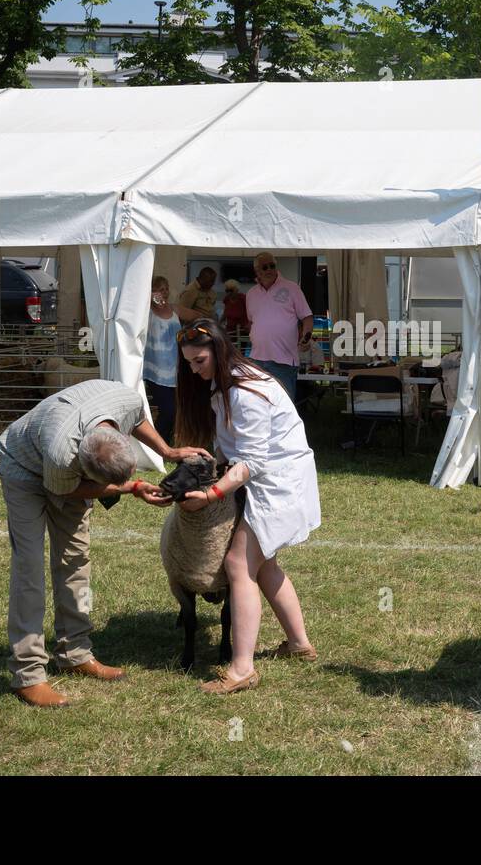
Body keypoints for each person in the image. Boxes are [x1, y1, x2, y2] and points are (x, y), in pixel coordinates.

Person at [0, 379, 210, 707]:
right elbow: (64, 490)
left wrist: (167, 451)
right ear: (83, 468)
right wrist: (129, 489)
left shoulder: (125, 400)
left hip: (67, 468)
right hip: (23, 468)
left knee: (75, 559)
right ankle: (28, 674)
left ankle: (75, 653)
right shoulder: (61, 454)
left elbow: (138, 418)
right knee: (30, 569)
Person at [175, 318, 321, 694]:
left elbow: (252, 462)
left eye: (199, 361)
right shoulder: (226, 384)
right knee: (264, 563)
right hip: (267, 482)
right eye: (189, 363)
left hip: (277, 484)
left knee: (239, 563)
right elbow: (234, 448)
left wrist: (212, 494)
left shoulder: (245, 391)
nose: (194, 369)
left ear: (219, 351)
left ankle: (242, 669)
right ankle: (299, 644)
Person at [244, 252, 313, 399]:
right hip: (257, 360)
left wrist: (306, 339)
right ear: (257, 271)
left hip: (284, 361)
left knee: (284, 409)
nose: (269, 269)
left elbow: (307, 317)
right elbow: (252, 322)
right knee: (258, 406)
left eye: (272, 266)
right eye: (264, 267)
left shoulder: (292, 288)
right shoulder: (251, 294)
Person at [144, 275, 184, 444]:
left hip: (175, 370)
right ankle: (159, 445)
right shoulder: (146, 312)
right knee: (168, 410)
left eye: (166, 288)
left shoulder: (174, 310)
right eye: (159, 289)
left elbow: (198, 316)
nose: (164, 292)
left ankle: (167, 442)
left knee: (175, 411)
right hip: (155, 371)